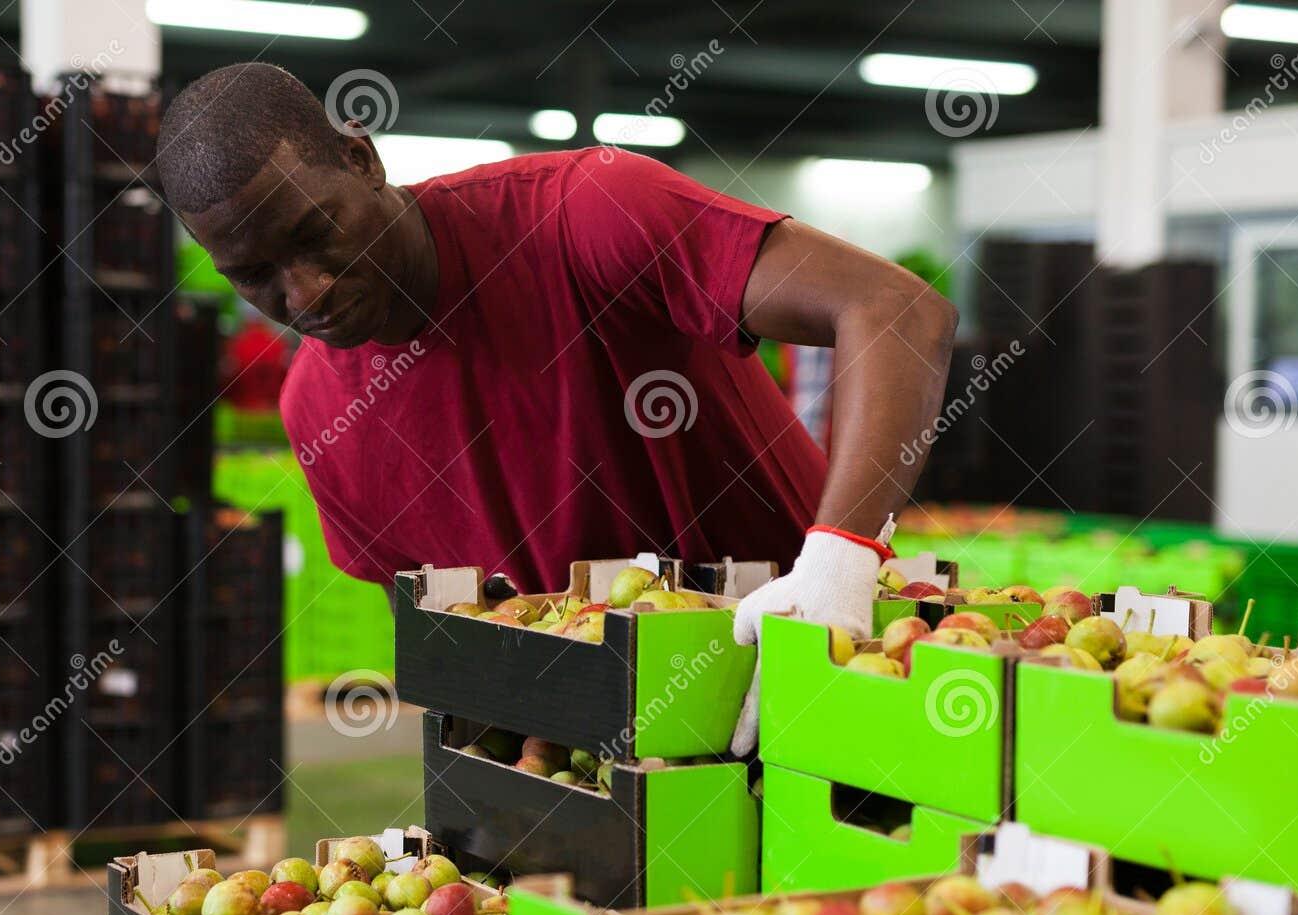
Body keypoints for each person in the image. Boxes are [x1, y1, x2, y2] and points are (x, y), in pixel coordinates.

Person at [157, 63, 957, 756]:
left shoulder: (586, 213)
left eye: (317, 231)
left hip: (824, 666)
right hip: (604, 761)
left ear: (361, 158)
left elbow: (897, 311)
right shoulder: (319, 413)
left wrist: (839, 566)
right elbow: (451, 640)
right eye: (254, 275)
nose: (307, 291)